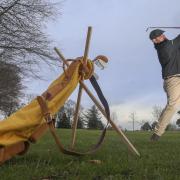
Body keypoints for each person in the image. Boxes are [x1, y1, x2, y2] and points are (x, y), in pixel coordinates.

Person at [149, 29, 180, 141]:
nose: (162, 35)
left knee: (169, 106)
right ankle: (157, 134)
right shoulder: (165, 47)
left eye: (162, 34)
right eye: (159, 36)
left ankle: (157, 131)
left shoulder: (171, 45)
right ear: (155, 40)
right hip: (173, 80)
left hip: (176, 78)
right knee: (172, 106)